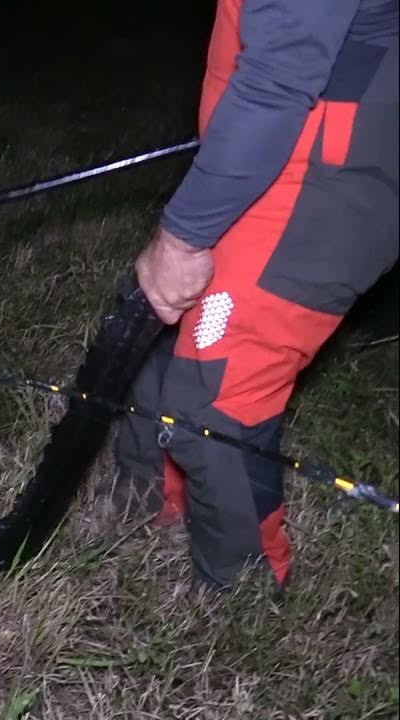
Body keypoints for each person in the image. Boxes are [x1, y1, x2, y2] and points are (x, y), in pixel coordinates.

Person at [115, 0, 398, 590]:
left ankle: (240, 594)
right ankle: (142, 512)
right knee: (152, 329)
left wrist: (184, 238)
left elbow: (280, 77)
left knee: (215, 392)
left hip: (330, 169)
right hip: (273, 148)